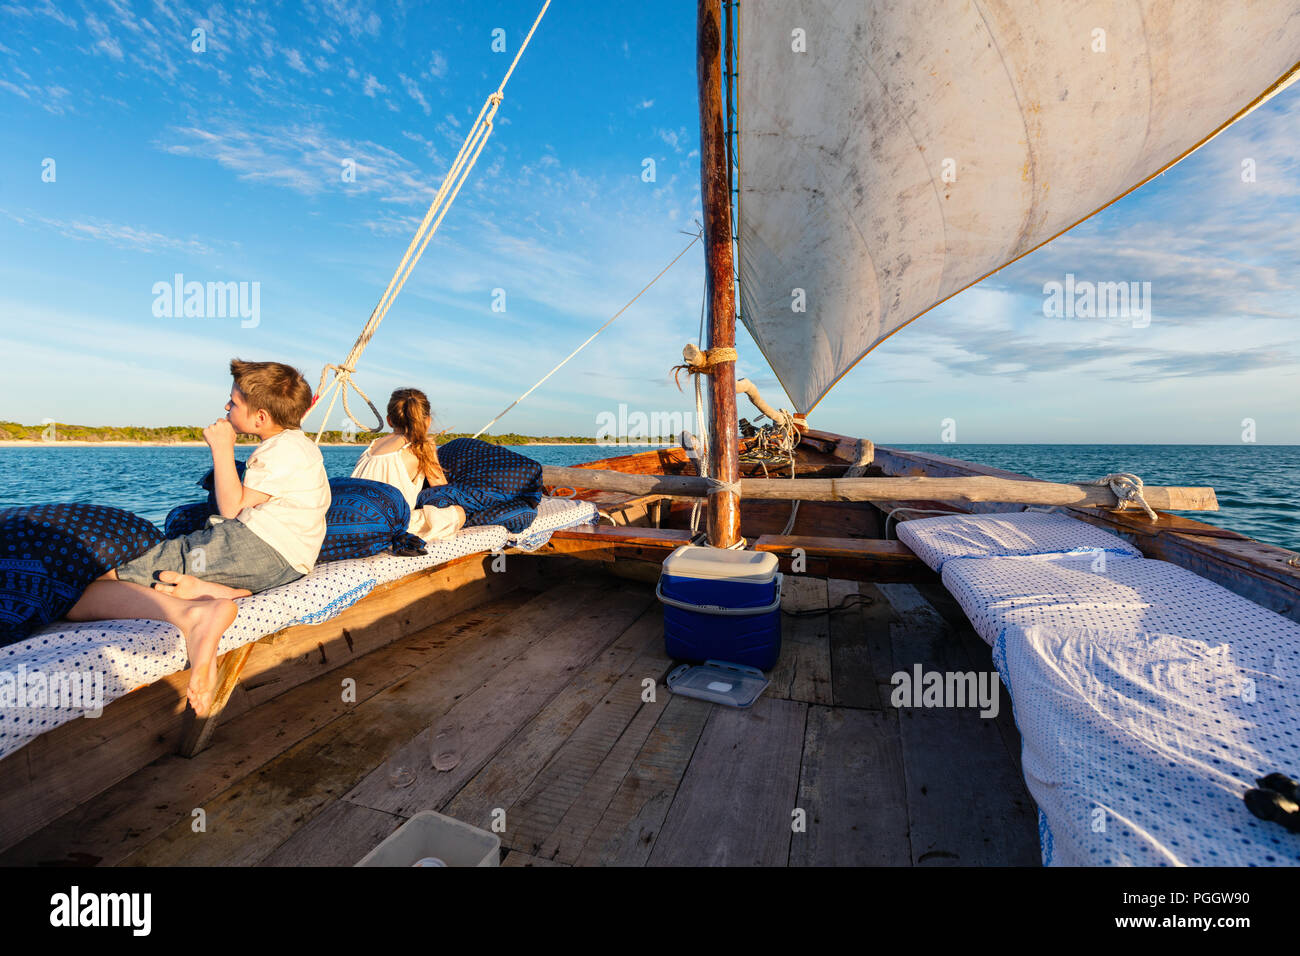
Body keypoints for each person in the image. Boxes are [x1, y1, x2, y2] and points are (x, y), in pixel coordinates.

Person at [65, 359, 331, 716]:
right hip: (287, 564)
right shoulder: (301, 447)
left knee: (87, 591)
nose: (226, 406)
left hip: (257, 549)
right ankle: (220, 591)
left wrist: (222, 447)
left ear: (261, 418)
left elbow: (233, 507)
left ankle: (197, 617)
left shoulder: (279, 450)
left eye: (234, 402)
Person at [351, 388, 466, 541]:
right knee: (458, 513)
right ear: (428, 420)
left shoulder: (374, 444)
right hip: (386, 526)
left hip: (355, 519)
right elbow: (441, 489)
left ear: (389, 420)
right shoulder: (421, 445)